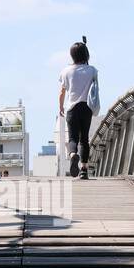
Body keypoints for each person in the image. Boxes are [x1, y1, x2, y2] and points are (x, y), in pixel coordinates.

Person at [58, 40, 99, 179]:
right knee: (84, 139)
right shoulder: (92, 70)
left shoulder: (65, 71)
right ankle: (83, 170)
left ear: (72, 55)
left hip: (72, 108)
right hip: (86, 107)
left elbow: (62, 92)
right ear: (86, 54)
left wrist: (60, 107)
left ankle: (73, 155)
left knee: (73, 138)